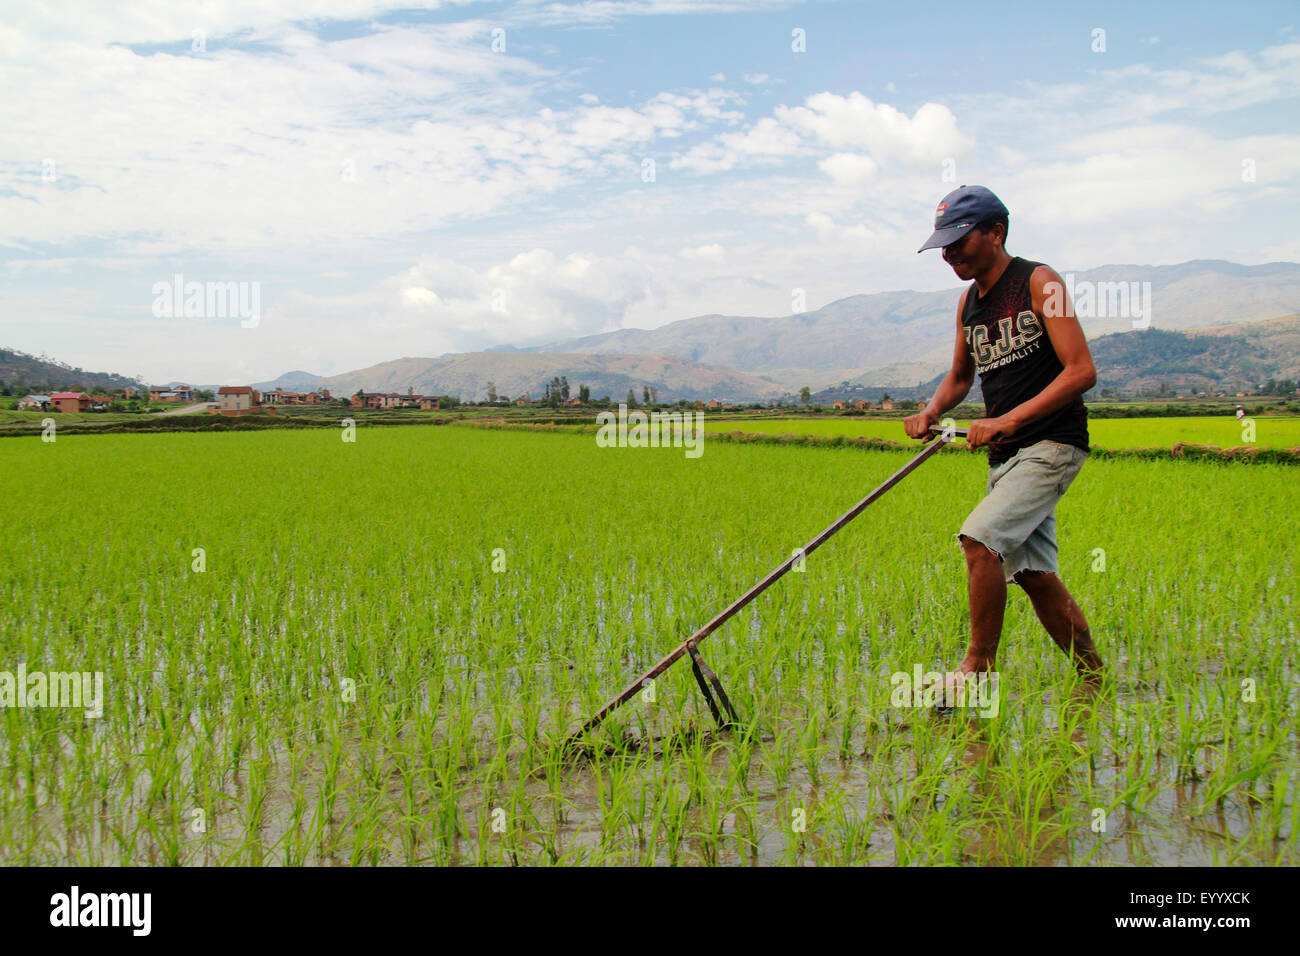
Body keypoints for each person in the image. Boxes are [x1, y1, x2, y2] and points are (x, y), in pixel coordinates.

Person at [903, 185, 1104, 685]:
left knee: (979, 540)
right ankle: (1093, 675)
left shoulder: (1040, 281)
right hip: (1006, 456)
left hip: (1052, 444)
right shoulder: (968, 303)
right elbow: (960, 378)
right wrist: (929, 411)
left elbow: (1081, 371)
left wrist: (1009, 419)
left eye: (959, 241)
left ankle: (978, 667)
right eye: (943, 246)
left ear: (997, 232)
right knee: (1034, 576)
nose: (949, 254)